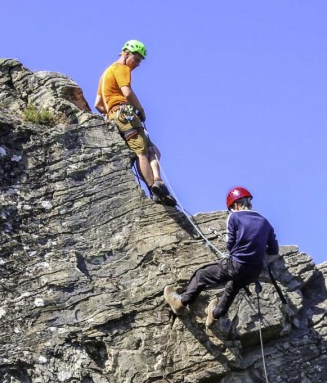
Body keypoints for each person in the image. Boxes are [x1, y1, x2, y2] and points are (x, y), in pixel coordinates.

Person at [164, 186, 279, 327]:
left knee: (202, 275)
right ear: (249, 202)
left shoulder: (235, 217)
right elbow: (273, 250)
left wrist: (240, 250)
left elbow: (230, 244)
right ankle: (215, 315)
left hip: (236, 264)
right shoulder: (265, 222)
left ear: (235, 205)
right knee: (233, 287)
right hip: (254, 271)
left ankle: (180, 302)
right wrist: (256, 250)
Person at [94, 39, 175, 205]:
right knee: (142, 152)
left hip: (115, 115)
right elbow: (127, 92)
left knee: (153, 150)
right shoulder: (121, 68)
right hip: (125, 113)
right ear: (125, 53)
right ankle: (155, 188)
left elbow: (98, 104)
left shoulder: (106, 73)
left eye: (140, 61)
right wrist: (141, 110)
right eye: (136, 59)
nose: (137, 64)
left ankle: (158, 181)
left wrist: (111, 115)